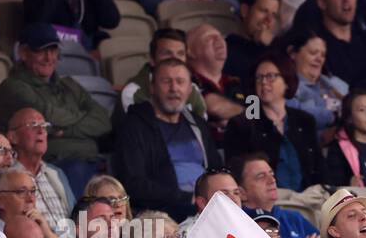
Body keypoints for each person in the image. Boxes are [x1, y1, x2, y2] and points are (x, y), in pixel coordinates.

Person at [0, 23, 111, 194]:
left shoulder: (68, 84)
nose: (49, 57)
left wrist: (65, 131)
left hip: (91, 161)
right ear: (23, 53)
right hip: (53, 164)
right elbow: (47, 114)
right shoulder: (12, 87)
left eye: (53, 50)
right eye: (41, 51)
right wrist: (81, 117)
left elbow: (103, 120)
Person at [113, 58, 224, 221]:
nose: (174, 88)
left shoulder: (198, 124)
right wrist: (186, 198)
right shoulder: (134, 125)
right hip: (164, 213)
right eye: (166, 81)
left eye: (180, 82)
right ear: (152, 88)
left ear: (189, 90)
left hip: (206, 207)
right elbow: (134, 183)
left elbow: (216, 169)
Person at [223, 55, 322, 192]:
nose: (263, 82)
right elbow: (237, 174)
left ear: (287, 81)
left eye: (270, 76)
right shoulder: (243, 124)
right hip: (268, 200)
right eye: (259, 78)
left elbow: (320, 167)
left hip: (309, 198)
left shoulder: (304, 121)